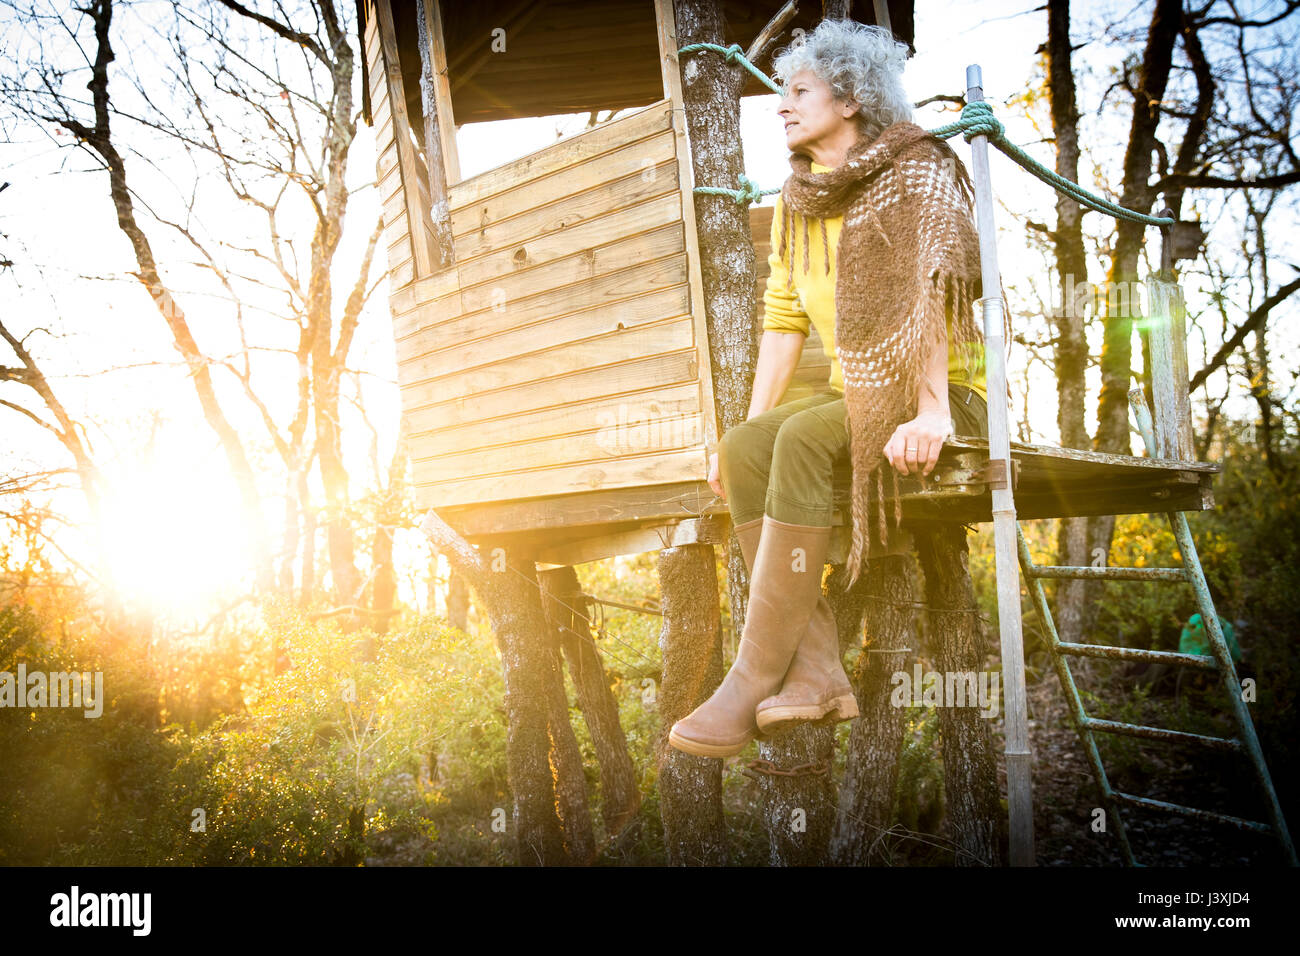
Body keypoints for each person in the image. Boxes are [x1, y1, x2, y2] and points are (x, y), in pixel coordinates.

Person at [668, 19, 990, 758]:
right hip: (859, 401)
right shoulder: (798, 202)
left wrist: (934, 412)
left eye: (799, 91)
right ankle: (814, 673)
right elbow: (784, 320)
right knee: (755, 443)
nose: (782, 105)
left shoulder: (914, 170)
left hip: (938, 399)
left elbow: (932, 290)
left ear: (850, 98)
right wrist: (738, 435)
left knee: (809, 437)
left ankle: (751, 678)